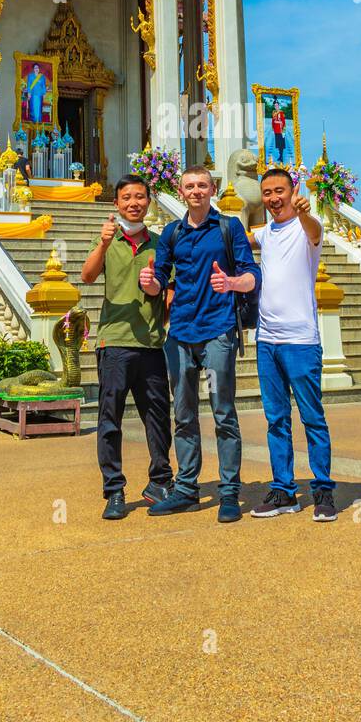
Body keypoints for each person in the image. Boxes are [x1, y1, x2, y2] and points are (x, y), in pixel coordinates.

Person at [139, 165, 260, 524]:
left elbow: (252, 272)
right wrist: (151, 283)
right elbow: (161, 277)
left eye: (202, 186)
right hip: (180, 331)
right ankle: (187, 489)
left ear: (212, 189)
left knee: (224, 412)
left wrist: (234, 284)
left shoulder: (228, 227)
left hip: (219, 329)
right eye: (190, 186)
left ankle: (228, 493)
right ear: (181, 191)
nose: (196, 191)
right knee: (184, 414)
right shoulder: (172, 233)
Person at [81, 175, 174, 520]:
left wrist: (158, 297)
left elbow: (170, 289)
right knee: (110, 419)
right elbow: (87, 276)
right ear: (116, 204)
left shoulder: (161, 243)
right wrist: (104, 245)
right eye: (126, 198)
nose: (133, 203)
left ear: (149, 202)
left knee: (158, 417)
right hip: (114, 341)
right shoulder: (107, 237)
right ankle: (114, 490)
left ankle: (160, 482)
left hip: (150, 343)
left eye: (139, 197)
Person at [249, 167, 337, 522]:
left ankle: (323, 490)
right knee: (276, 419)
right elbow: (232, 237)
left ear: (292, 190)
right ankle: (284, 490)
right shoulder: (265, 233)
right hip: (267, 340)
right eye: (267, 192)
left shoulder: (307, 229)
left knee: (312, 417)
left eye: (279, 191)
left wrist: (305, 213)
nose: (273, 198)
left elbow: (316, 231)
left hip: (300, 341)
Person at [271, 99, 287, 163]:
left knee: (281, 145)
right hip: (276, 130)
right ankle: (280, 156)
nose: (276, 106)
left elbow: (283, 121)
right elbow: (273, 121)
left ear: (278, 106)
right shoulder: (274, 112)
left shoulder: (281, 112)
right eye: (275, 105)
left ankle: (281, 156)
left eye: (277, 105)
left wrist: (283, 130)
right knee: (278, 144)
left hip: (281, 130)